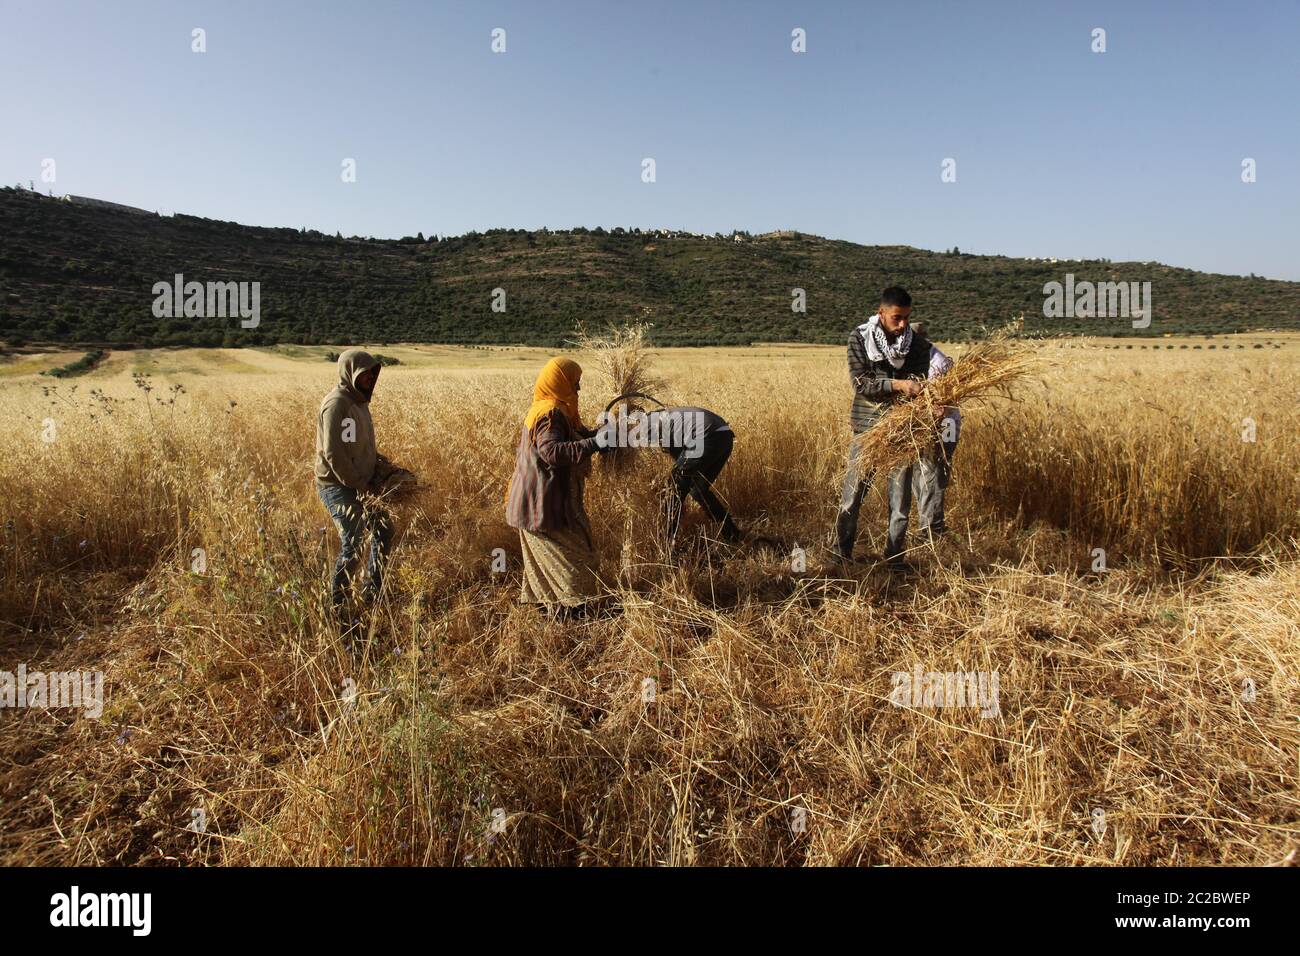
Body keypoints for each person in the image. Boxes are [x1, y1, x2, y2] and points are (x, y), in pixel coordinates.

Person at [833, 286, 938, 569]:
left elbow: (923, 382)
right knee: (852, 495)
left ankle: (894, 558)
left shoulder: (915, 345)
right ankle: (840, 555)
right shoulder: (859, 338)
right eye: (896, 318)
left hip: (903, 429)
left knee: (900, 502)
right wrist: (899, 385)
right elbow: (861, 384)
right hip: (867, 427)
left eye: (907, 318)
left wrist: (931, 402)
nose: (903, 324)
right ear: (881, 313)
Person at [505, 357, 609, 617]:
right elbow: (551, 452)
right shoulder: (550, 413)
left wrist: (602, 435)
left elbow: (576, 437)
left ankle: (557, 612)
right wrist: (596, 444)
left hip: (541, 498)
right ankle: (572, 612)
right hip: (540, 501)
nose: (579, 389)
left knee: (555, 560)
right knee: (577, 557)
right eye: (575, 383)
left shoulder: (556, 410)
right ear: (560, 382)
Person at [315, 349, 394, 608]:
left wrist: (383, 466)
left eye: (373, 372)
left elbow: (360, 446)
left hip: (361, 481)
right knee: (355, 539)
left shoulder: (359, 402)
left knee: (384, 529)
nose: (371, 377)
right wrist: (360, 485)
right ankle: (336, 605)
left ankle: (373, 593)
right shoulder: (337, 404)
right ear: (350, 372)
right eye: (365, 373)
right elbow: (334, 454)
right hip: (337, 485)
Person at [605, 405, 742, 549]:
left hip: (706, 437)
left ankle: (667, 545)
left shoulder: (648, 425)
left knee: (673, 491)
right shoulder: (662, 417)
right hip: (724, 436)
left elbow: (624, 440)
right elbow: (681, 460)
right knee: (698, 490)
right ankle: (732, 535)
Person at [909, 323, 961, 540]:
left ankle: (932, 530)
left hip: (944, 426)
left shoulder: (936, 363)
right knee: (919, 473)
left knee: (933, 474)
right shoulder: (917, 360)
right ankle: (929, 523)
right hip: (923, 425)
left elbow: (939, 405)